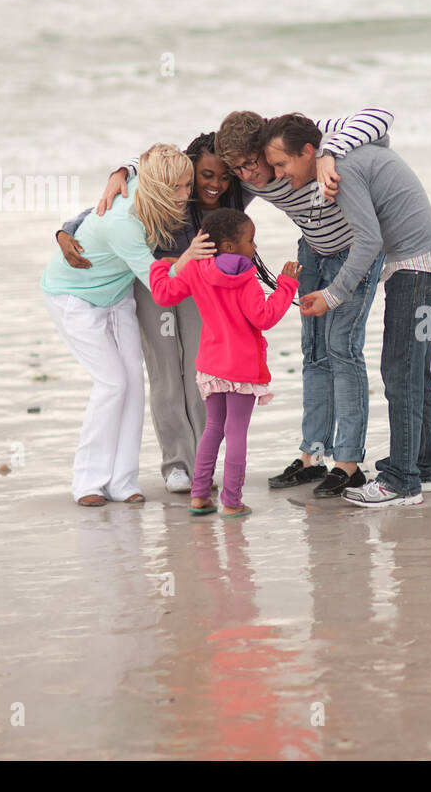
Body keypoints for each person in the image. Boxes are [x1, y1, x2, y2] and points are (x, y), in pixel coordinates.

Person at [97, 108, 392, 499]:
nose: (232, 179)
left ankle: (335, 463)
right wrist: (123, 170)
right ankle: (196, 464)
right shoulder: (203, 179)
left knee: (333, 352)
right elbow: (158, 164)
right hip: (182, 274)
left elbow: (375, 119)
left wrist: (326, 154)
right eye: (218, 173)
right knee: (174, 372)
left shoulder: (266, 164)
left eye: (238, 169)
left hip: (314, 258)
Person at [56, 133, 280, 495]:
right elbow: (107, 207)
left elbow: (260, 162)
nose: (214, 185)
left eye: (224, 177)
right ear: (191, 168)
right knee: (164, 374)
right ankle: (176, 464)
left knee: (199, 370)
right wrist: (68, 227)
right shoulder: (171, 184)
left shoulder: (236, 191)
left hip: (200, 288)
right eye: (206, 175)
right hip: (151, 283)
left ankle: (201, 464)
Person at [262, 113, 431, 508]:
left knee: (400, 375)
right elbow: (380, 135)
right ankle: (426, 469)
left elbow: (368, 243)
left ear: (308, 151)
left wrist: (332, 295)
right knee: (415, 374)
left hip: (417, 270)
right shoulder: (341, 154)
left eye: (282, 164)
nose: (279, 174)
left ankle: (401, 484)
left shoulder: (343, 171)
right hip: (430, 264)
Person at [40, 144, 214, 506]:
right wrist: (189, 257)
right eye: (179, 188)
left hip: (117, 294)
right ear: (159, 188)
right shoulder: (125, 223)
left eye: (187, 185)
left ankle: (122, 481)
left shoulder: (145, 189)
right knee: (112, 382)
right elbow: (163, 291)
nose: (188, 194)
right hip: (76, 296)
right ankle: (87, 481)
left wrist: (122, 169)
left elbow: (141, 163)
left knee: (133, 382)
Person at [149, 208, 301, 519]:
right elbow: (265, 317)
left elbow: (163, 295)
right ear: (230, 247)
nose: (254, 247)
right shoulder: (244, 279)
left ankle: (200, 496)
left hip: (209, 366)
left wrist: (161, 266)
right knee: (236, 433)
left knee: (213, 429)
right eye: (250, 240)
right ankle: (232, 500)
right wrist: (286, 285)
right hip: (242, 369)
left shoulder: (195, 270)